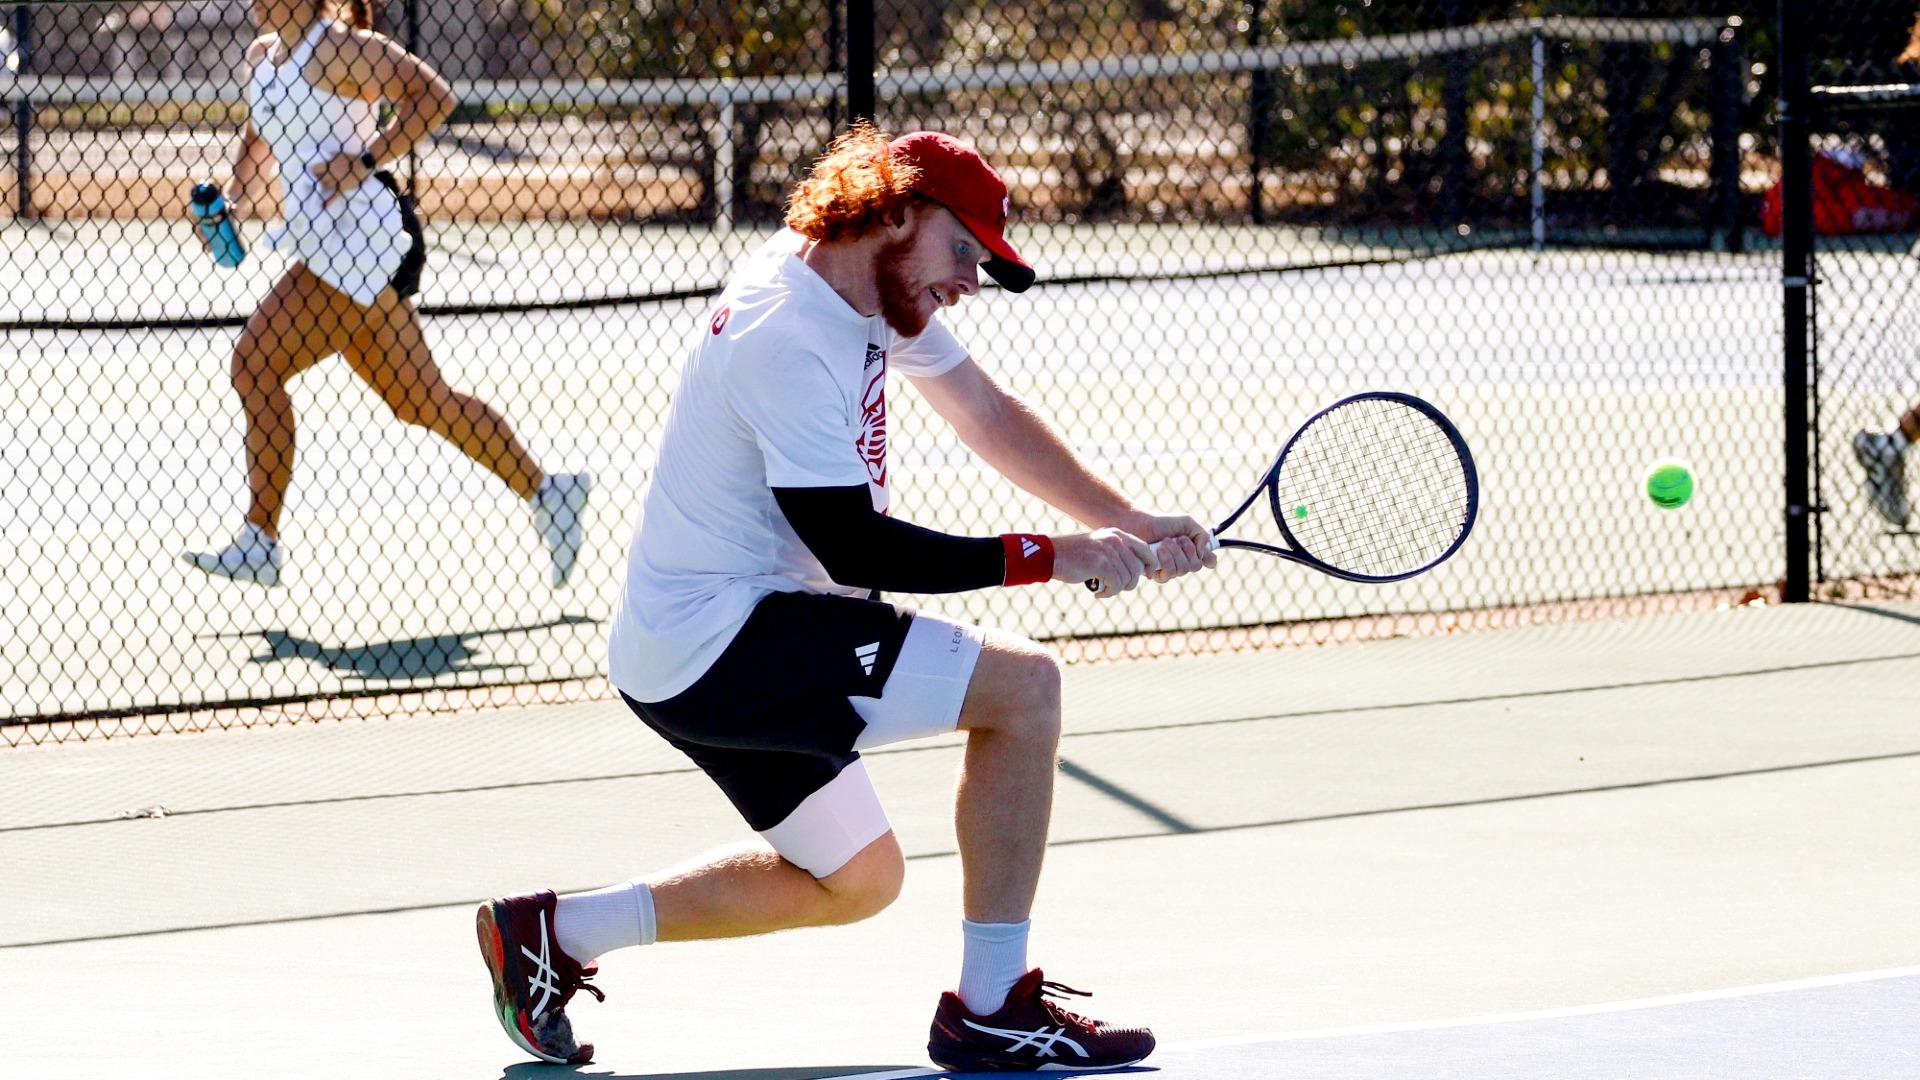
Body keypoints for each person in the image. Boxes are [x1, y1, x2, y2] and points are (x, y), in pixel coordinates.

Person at [475, 124, 1215, 1070]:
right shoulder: (787, 333)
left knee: (860, 879)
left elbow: (986, 413)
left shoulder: (855, 278)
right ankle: (994, 1009)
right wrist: (1056, 555)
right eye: (963, 251)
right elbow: (855, 545)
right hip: (732, 641)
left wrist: (1128, 520)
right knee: (1025, 691)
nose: (970, 282)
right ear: (897, 213)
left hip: (680, 653)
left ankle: (555, 934)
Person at [182, 0, 590, 588]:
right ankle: (550, 492)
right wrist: (235, 200)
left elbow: (433, 97)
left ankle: (260, 540)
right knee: (421, 402)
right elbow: (261, 132)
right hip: (327, 247)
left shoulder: (339, 49)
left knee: (254, 364)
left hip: (364, 241)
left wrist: (364, 160)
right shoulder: (265, 56)